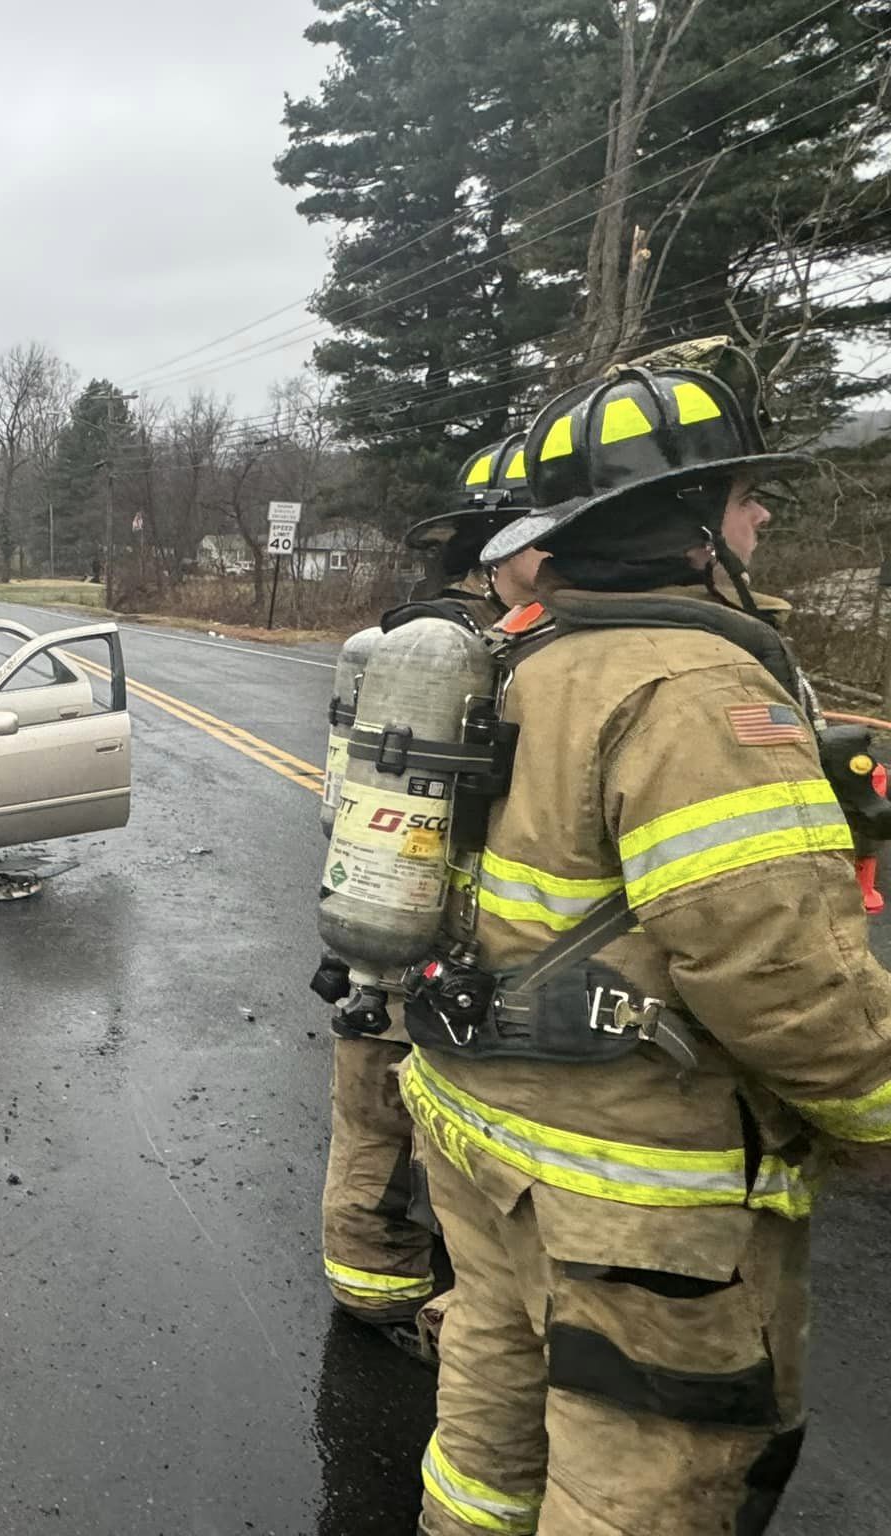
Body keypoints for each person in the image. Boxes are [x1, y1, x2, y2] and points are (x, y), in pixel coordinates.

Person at [403, 345, 891, 1534]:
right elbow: (773, 971)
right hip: (632, 1195)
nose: (762, 510)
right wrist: (874, 1114)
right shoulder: (689, 688)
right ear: (687, 521)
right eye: (740, 493)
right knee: (647, 1478)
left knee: (487, 1414)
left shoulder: (520, 658)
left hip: (481, 1134)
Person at [319, 435, 542, 1353]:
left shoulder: (398, 646)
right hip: (445, 937)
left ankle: (369, 1283)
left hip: (372, 917)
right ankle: (389, 1294)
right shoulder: (491, 660)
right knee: (412, 1129)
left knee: (368, 1116)